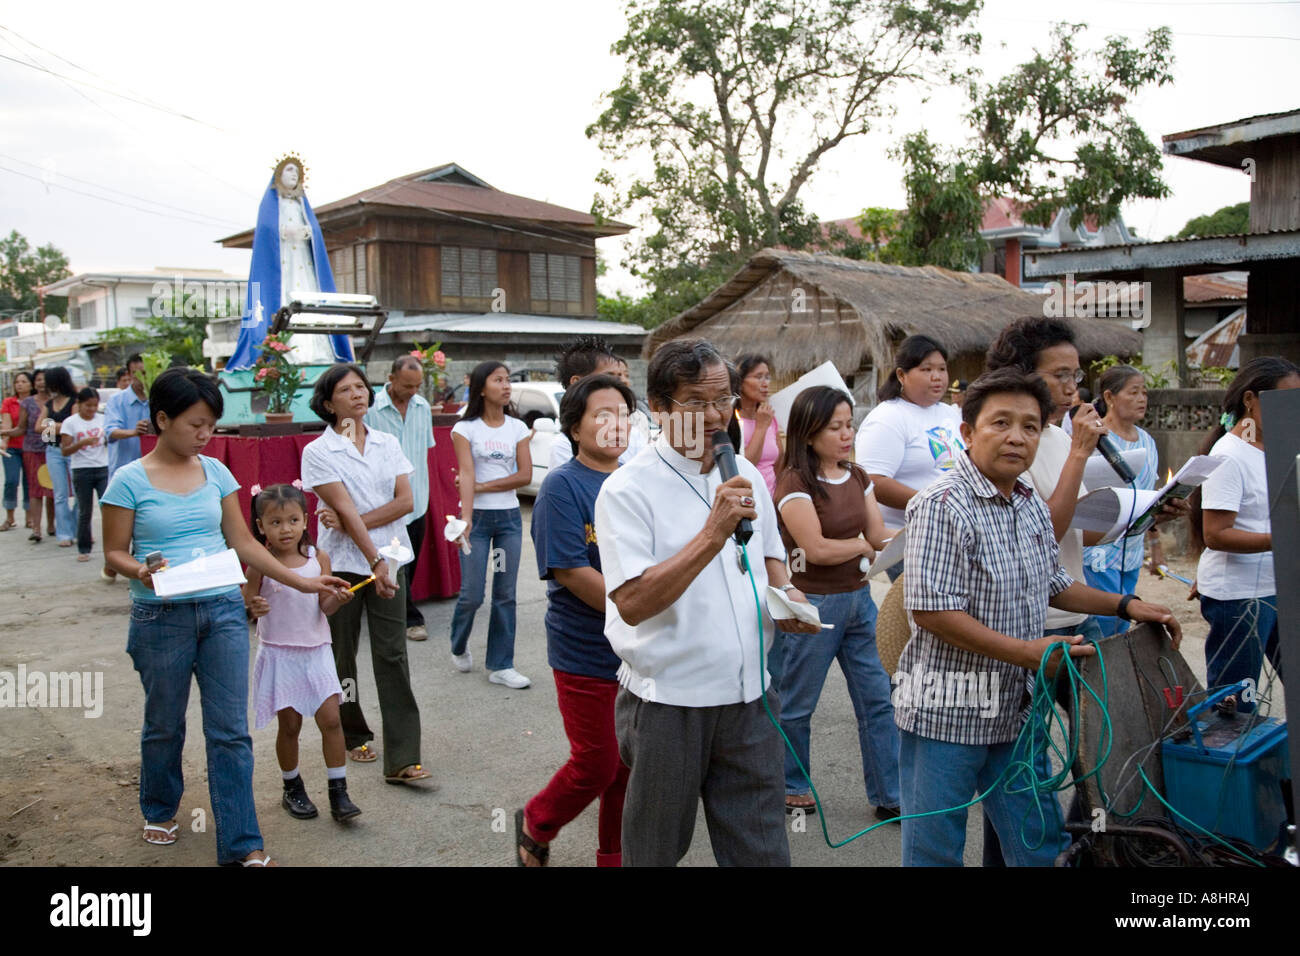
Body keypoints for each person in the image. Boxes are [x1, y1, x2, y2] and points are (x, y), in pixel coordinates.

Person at [895, 368, 1182, 867]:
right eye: (1000, 423)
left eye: (1029, 426)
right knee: (934, 852)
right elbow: (933, 612)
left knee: (1037, 842)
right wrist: (1029, 653)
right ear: (967, 432)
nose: (1017, 437)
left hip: (1017, 707)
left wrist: (1126, 605)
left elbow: (1056, 584)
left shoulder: (1027, 502)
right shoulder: (941, 506)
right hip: (947, 711)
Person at [101, 367, 350, 866]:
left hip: (222, 611)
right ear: (162, 419)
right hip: (160, 616)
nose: (204, 434)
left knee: (230, 731)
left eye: (211, 424)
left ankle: (241, 845)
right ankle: (159, 808)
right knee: (165, 724)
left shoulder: (216, 472)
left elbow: (242, 543)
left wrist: (303, 582)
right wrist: (143, 571)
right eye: (195, 423)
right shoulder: (128, 480)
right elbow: (114, 554)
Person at [594, 338, 819, 867]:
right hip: (669, 703)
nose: (716, 416)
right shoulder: (628, 490)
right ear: (659, 406)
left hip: (750, 699)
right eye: (698, 403)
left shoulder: (738, 469)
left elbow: (770, 557)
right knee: (653, 851)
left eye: (725, 400)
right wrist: (711, 534)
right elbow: (633, 601)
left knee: (761, 850)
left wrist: (787, 595)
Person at [518, 374, 636, 867]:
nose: (616, 426)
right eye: (602, 415)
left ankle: (613, 857)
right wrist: (641, 608)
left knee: (629, 766)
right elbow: (570, 570)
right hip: (585, 651)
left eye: (624, 416)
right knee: (597, 762)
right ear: (574, 427)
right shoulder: (561, 487)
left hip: (639, 649)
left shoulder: (636, 478)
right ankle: (536, 822)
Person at [773, 385, 898, 819]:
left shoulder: (858, 475)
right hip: (815, 606)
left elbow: (879, 535)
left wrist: (911, 537)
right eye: (835, 427)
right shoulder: (795, 481)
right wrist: (862, 548)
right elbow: (817, 549)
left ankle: (890, 792)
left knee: (879, 698)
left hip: (860, 601)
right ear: (808, 433)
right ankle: (791, 785)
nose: (847, 434)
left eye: (850, 425)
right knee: (796, 704)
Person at [301, 363, 430, 784]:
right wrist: (366, 546)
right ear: (327, 402)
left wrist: (370, 542)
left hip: (390, 560)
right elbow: (342, 510)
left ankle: (403, 756)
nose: (357, 394)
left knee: (392, 654)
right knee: (342, 653)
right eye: (345, 389)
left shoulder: (387, 443)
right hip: (340, 564)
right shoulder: (318, 452)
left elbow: (405, 502)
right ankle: (353, 732)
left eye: (361, 387)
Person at [244, 483, 361, 822]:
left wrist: (336, 599)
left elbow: (324, 606)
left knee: (331, 720)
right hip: (280, 654)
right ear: (260, 525)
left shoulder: (318, 559)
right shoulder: (260, 564)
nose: (286, 529)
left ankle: (338, 792)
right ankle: (291, 787)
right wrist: (256, 608)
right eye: (276, 522)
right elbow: (249, 605)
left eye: (293, 520)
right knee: (291, 726)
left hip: (317, 652)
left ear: (305, 520)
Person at [1192, 357, 1300, 707]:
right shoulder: (1229, 455)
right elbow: (1216, 534)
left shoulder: (1276, 449)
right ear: (1251, 400)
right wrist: (1283, 539)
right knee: (1236, 704)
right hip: (1239, 598)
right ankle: (1233, 763)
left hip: (1277, 586)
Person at [448, 361, 532, 688]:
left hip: (509, 520)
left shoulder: (517, 428)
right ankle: (458, 642)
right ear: (482, 388)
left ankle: (501, 665)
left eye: (508, 380)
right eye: (499, 380)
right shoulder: (464, 428)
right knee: (472, 594)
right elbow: (466, 473)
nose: (506, 385)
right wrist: (466, 518)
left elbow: (524, 476)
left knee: (505, 593)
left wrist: (483, 487)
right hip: (478, 521)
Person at [855, 334, 964, 539]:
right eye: (926, 369)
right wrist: (933, 504)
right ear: (901, 375)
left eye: (942, 369)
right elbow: (873, 481)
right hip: (905, 539)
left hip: (949, 533)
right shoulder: (888, 418)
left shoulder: (950, 413)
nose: (937, 376)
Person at [1082, 365, 1161, 636]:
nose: (1142, 399)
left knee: (1122, 624)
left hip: (1132, 551)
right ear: (1110, 397)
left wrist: (1156, 544)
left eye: (1145, 393)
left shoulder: (1148, 442)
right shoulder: (1094, 438)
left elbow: (1149, 494)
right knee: (1105, 626)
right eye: (1134, 392)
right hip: (1097, 552)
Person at [362, 355, 435, 641]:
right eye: (407, 385)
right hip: (383, 503)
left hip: (417, 500)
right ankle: (407, 617)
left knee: (410, 561)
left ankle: (400, 610)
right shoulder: (370, 410)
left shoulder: (423, 407)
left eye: (417, 386)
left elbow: (425, 451)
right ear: (391, 379)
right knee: (388, 560)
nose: (413, 392)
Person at [548, 336, 641, 470]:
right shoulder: (563, 447)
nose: (621, 382)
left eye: (622, 375)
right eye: (610, 376)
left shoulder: (633, 434)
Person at [60, 387, 109, 563]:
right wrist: (81, 443)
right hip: (81, 469)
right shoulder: (70, 423)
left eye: (95, 406)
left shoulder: (103, 420)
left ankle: (112, 547)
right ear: (79, 405)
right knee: (84, 510)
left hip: (103, 467)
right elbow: (64, 450)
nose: (91, 409)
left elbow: (110, 439)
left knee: (108, 509)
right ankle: (84, 546)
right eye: (88, 406)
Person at [36, 366, 80, 547]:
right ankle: (64, 534)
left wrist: (52, 425)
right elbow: (39, 428)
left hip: (72, 450)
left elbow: (75, 426)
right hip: (53, 450)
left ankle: (78, 530)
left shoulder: (75, 401)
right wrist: (61, 426)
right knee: (60, 494)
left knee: (79, 494)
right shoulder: (49, 404)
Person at [736, 354, 783, 496]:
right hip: (747, 500)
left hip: (771, 499)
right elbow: (746, 465)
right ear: (740, 381)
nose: (765, 383)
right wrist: (761, 427)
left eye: (767, 377)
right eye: (758, 377)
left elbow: (779, 461)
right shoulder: (731, 420)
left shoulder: (769, 417)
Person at [19, 369, 54, 541]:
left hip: (53, 450)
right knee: (35, 490)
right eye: (38, 379)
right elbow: (21, 427)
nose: (41, 382)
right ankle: (36, 528)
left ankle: (52, 525)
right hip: (32, 450)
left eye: (44, 379)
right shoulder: (27, 402)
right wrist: (5, 433)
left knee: (52, 489)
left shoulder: (56, 401)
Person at [104, 353, 150, 480]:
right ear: (129, 375)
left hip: (153, 471)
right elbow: (110, 431)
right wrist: (134, 432)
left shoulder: (159, 400)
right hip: (124, 470)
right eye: (136, 373)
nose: (141, 377)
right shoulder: (116, 400)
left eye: (144, 373)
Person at [1, 370, 34, 532]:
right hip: (12, 448)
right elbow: (6, 424)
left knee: (29, 483)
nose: (19, 384)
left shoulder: (37, 402)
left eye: (23, 381)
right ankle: (10, 517)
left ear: (31, 384)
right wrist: (4, 441)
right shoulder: (9, 402)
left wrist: (48, 445)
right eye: (17, 382)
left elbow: (46, 426)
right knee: (11, 480)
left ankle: (30, 518)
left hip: (31, 448)